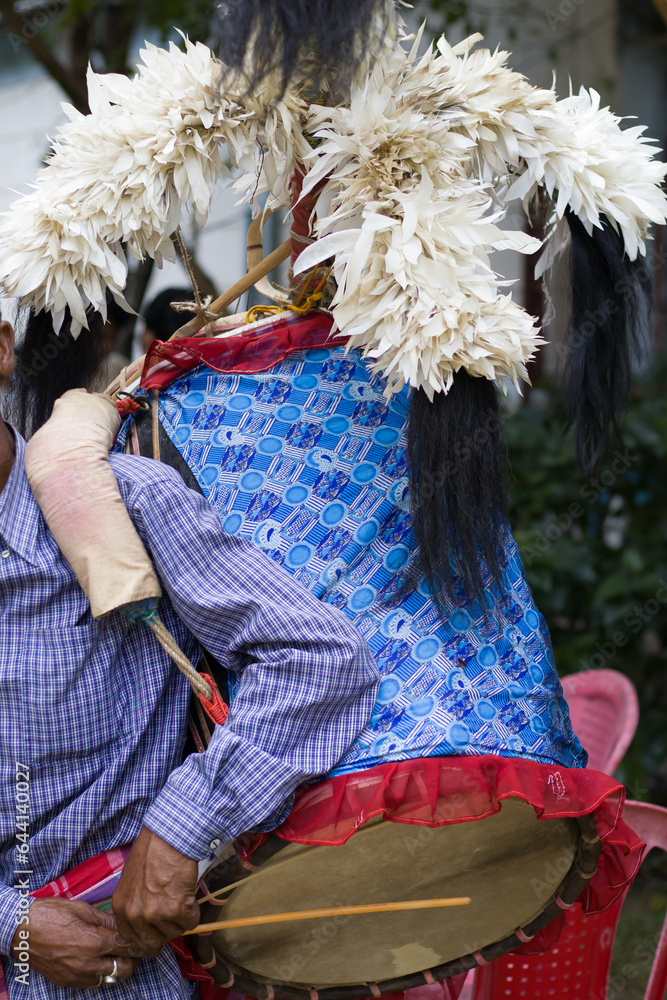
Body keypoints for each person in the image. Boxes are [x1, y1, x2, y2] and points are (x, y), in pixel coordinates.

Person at [0, 313, 379, 998]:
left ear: (1, 348)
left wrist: (181, 829)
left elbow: (318, 661)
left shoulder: (123, 504)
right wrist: (11, 923)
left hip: (113, 968)